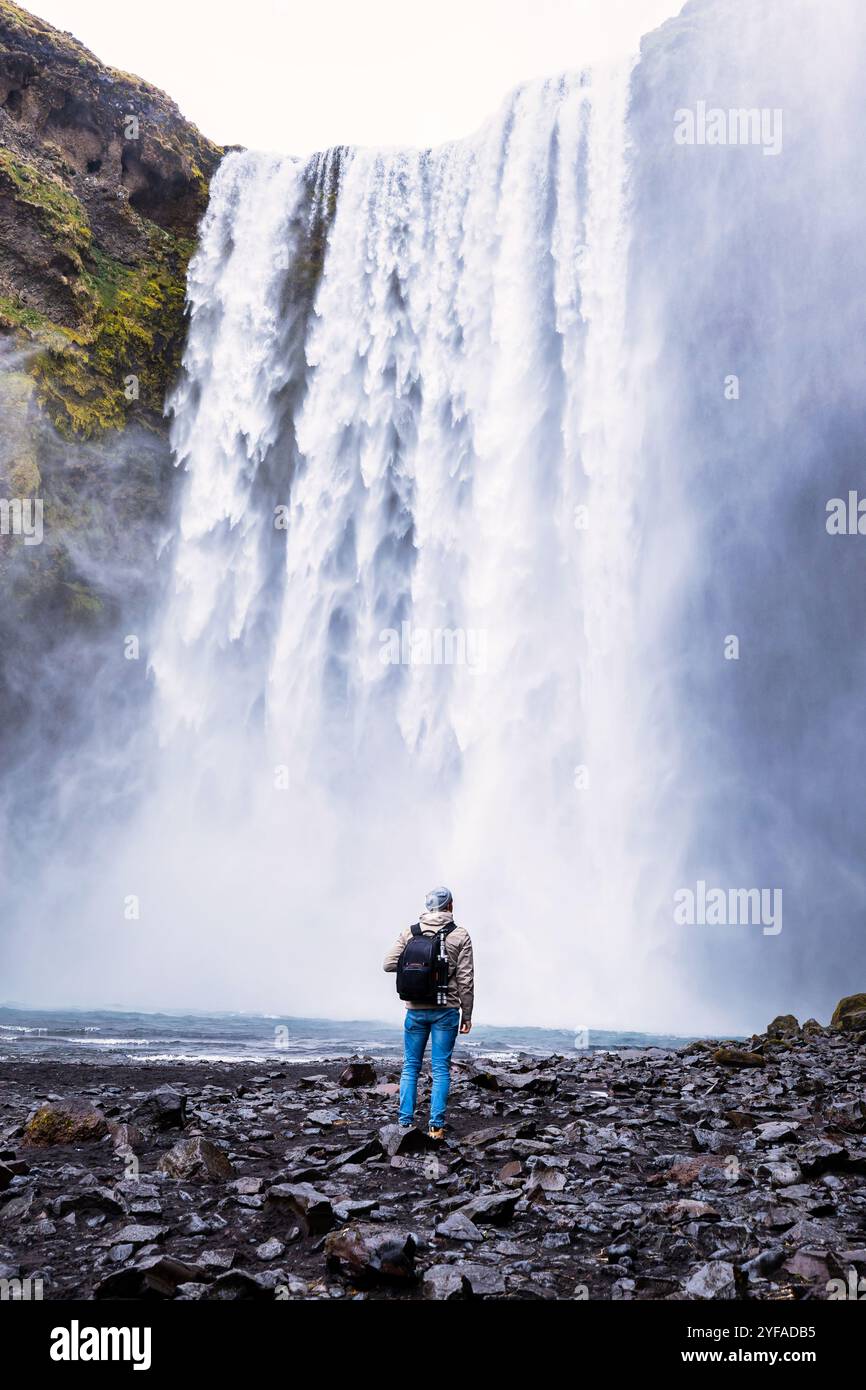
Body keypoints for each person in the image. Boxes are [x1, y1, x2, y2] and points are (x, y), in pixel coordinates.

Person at [383, 886, 474, 1140]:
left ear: (427, 907)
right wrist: (467, 1015)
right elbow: (466, 979)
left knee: (410, 1066)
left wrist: (416, 968)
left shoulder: (410, 933)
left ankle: (404, 1123)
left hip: (415, 1010)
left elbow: (388, 963)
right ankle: (436, 1127)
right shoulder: (460, 935)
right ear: (450, 906)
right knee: (441, 1068)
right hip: (446, 1011)